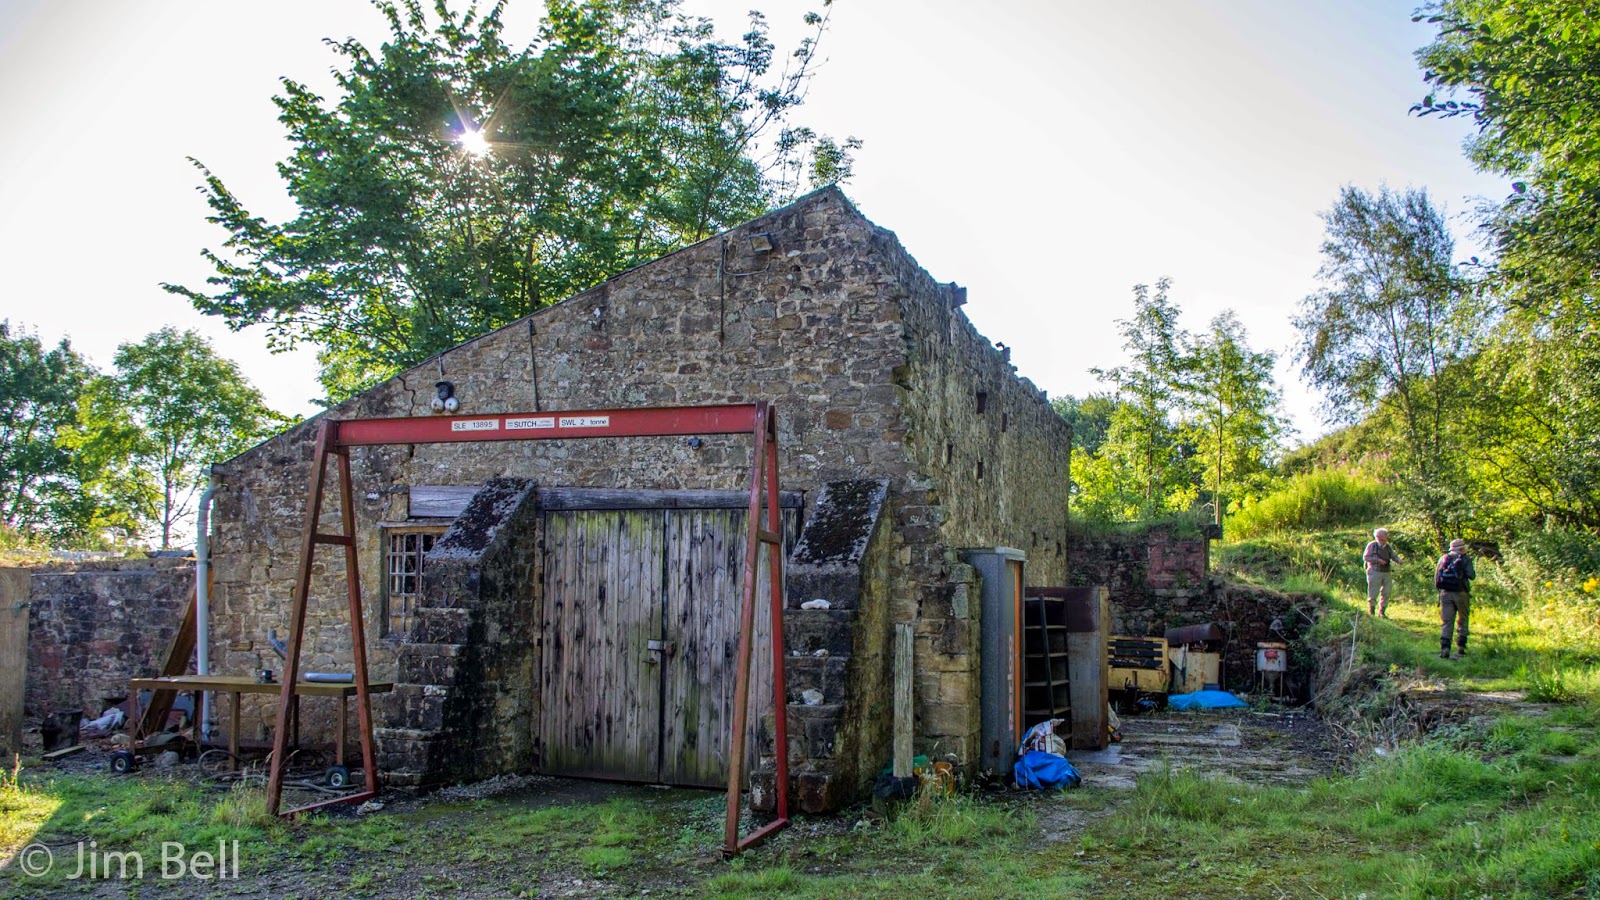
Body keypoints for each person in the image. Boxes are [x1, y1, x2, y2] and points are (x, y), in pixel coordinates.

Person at [1435, 538, 1477, 659]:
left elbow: (1436, 577)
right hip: (1461, 593)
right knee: (1463, 619)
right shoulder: (1465, 559)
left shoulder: (1444, 558)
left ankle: (1445, 648)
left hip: (1446, 593)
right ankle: (1461, 647)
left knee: (1447, 621)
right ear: (1462, 548)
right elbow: (1471, 575)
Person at [1362, 528, 1404, 617]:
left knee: (1386, 592)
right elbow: (1366, 557)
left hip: (1387, 572)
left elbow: (1393, 556)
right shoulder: (1372, 545)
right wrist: (1377, 560)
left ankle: (1382, 612)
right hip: (1374, 571)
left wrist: (1399, 560)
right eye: (1385, 535)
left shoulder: (1388, 546)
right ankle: (1372, 612)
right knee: (1373, 592)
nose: (1387, 537)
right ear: (1379, 537)